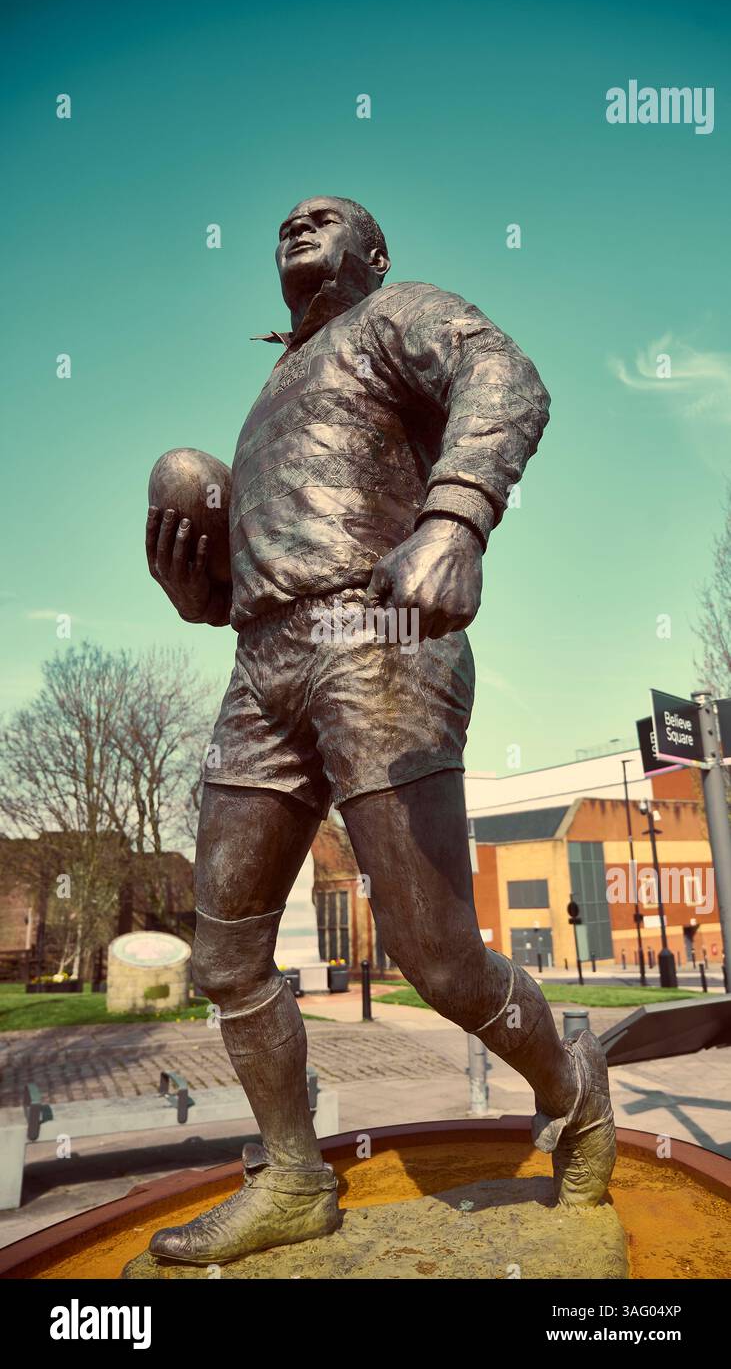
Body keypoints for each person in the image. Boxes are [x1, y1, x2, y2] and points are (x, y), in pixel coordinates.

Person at [145, 196, 615, 1264]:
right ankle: (294, 1180)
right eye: (284, 223)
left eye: (326, 217)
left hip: (380, 633)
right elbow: (252, 572)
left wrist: (455, 517)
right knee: (226, 949)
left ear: (375, 253)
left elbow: (504, 376)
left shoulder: (394, 314)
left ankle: (572, 1085)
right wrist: (201, 589)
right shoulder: (268, 393)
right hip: (260, 664)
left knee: (434, 956)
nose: (296, 224)